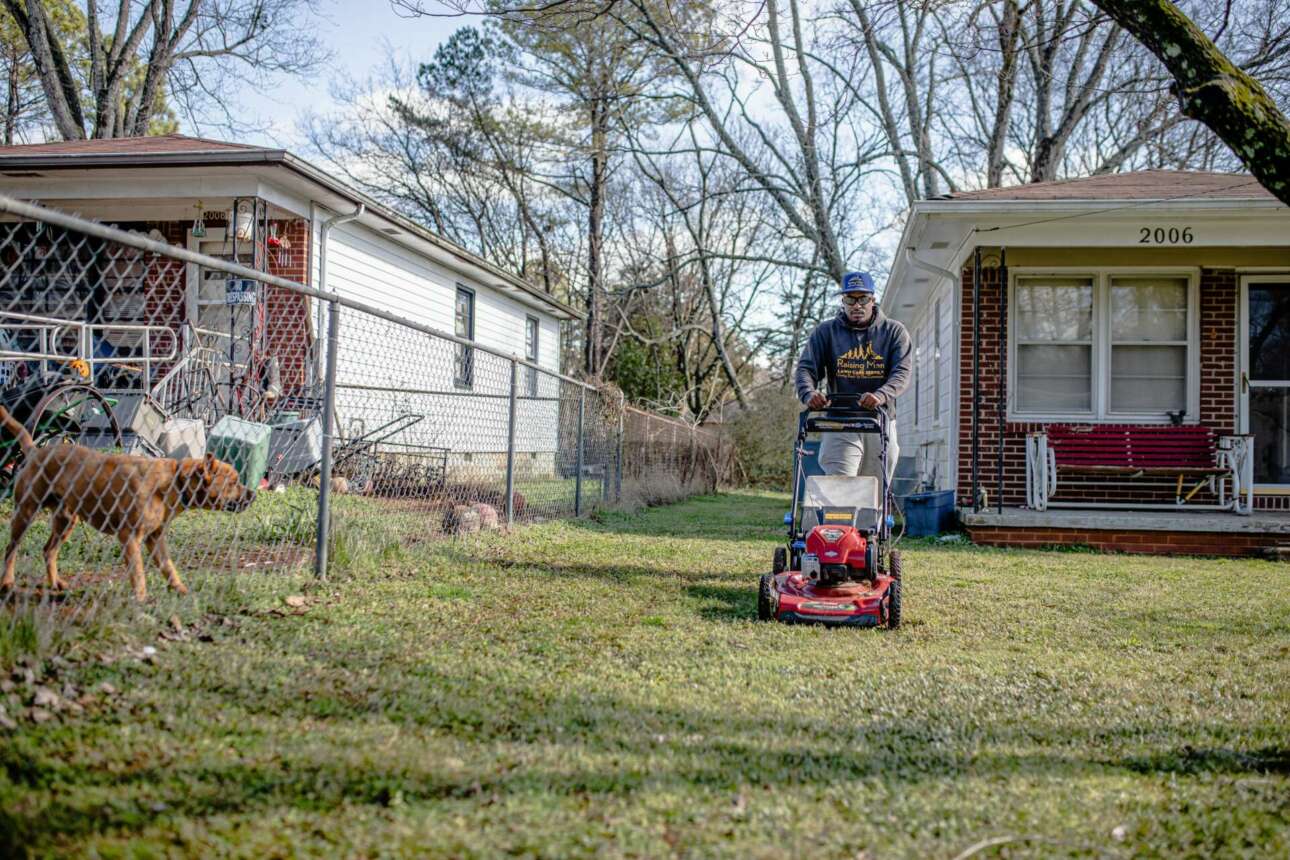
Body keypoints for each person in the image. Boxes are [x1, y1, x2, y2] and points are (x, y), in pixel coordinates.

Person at [794, 271, 911, 480]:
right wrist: (809, 394)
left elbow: (901, 373)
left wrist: (880, 395)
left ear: (872, 300)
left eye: (863, 299)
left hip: (879, 419)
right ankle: (838, 512)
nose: (857, 305)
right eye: (850, 299)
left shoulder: (894, 332)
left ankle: (874, 514)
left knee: (875, 488)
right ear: (843, 301)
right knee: (841, 487)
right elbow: (806, 369)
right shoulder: (826, 332)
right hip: (840, 421)